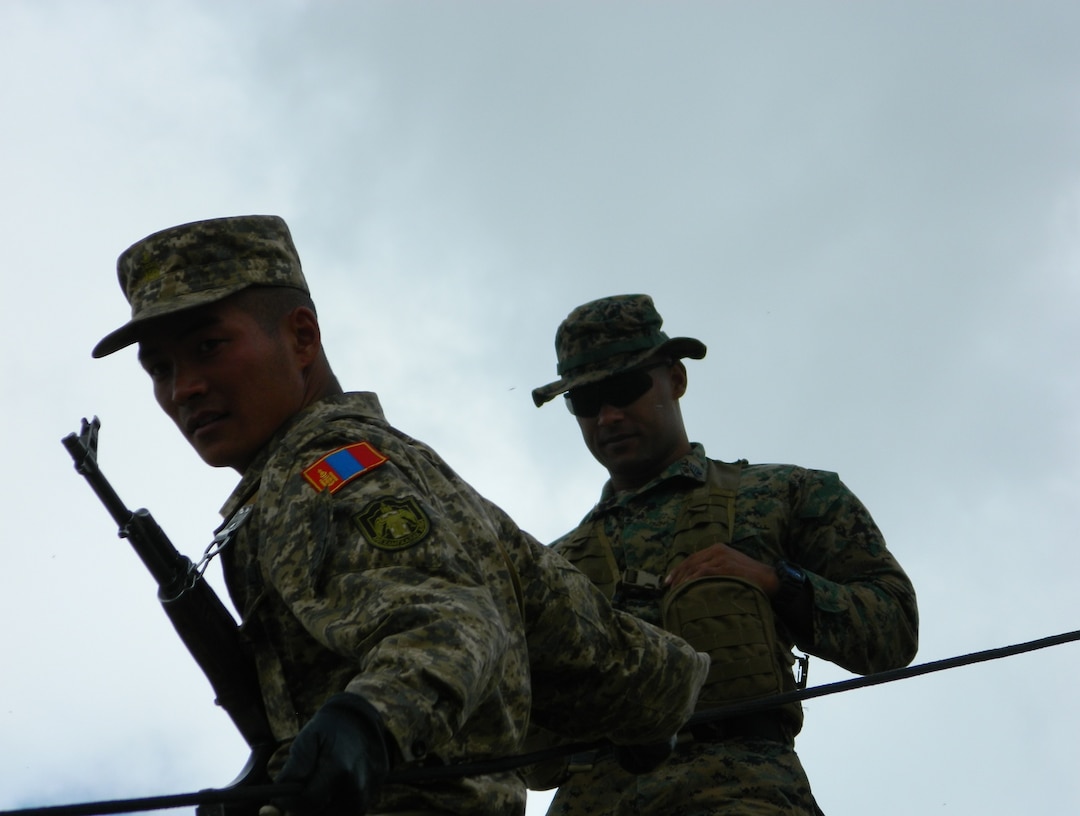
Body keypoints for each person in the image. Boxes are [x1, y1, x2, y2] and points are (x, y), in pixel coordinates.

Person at [90, 217, 711, 816]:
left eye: (209, 347)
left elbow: (447, 621)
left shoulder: (319, 468)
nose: (184, 388)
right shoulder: (407, 472)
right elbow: (598, 648)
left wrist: (367, 721)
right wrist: (659, 701)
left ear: (302, 338)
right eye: (161, 368)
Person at [529, 294, 920, 816]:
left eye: (624, 389)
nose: (609, 416)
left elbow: (894, 629)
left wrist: (779, 583)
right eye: (585, 400)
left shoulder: (784, 494)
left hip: (741, 791)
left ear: (676, 379)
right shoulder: (552, 567)